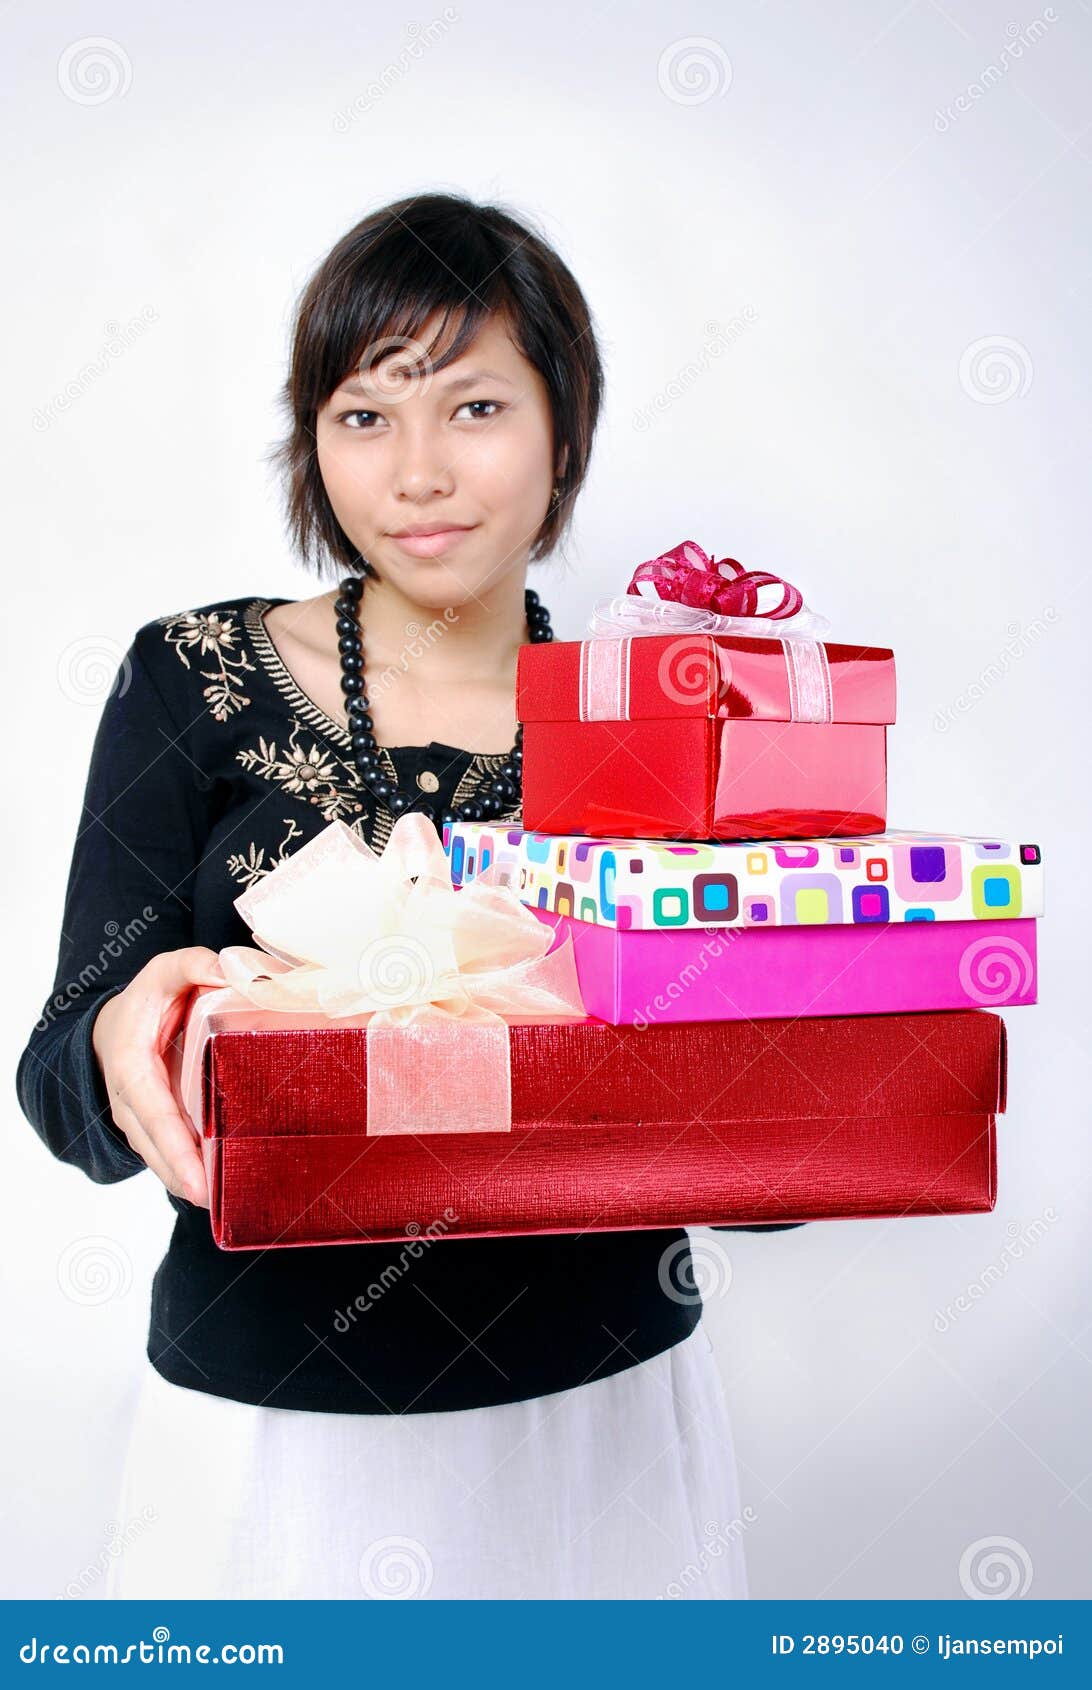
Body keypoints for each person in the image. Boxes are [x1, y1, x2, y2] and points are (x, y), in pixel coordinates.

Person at [16, 191, 797, 1600]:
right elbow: (68, 1092)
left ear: (567, 429)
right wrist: (130, 1024)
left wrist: (796, 1065)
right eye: (365, 414)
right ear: (311, 442)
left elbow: (759, 1151)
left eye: (476, 407)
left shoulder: (656, 710)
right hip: (264, 1435)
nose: (419, 471)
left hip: (598, 1421)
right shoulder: (186, 677)